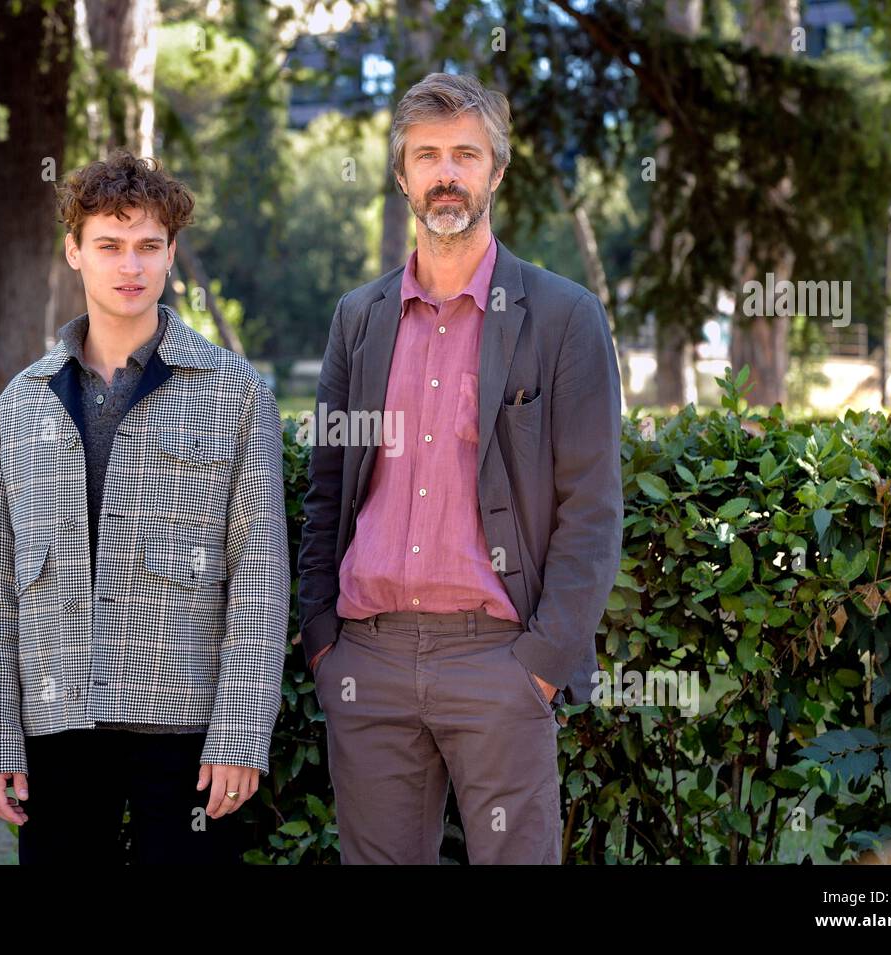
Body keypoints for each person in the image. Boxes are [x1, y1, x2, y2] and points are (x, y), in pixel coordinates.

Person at [296, 72, 623, 864]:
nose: (448, 172)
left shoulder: (564, 316)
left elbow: (592, 508)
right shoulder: (358, 317)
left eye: (466, 155)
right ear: (402, 173)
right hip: (365, 662)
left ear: (496, 171)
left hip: (498, 660)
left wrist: (540, 666)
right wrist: (321, 639)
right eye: (428, 154)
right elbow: (328, 488)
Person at [0, 149, 288, 864]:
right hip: (57, 725)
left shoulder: (236, 395)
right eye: (109, 245)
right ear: (74, 251)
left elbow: (261, 580)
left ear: (172, 253)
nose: (130, 266)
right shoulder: (19, 406)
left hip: (188, 731)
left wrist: (239, 732)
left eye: (148, 246)